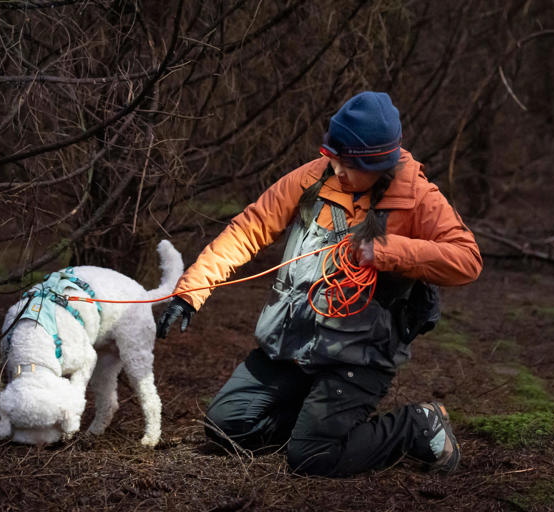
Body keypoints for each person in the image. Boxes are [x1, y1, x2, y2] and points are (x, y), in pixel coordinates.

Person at [157, 91, 482, 477]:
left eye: (346, 163)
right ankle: (315, 424)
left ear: (377, 163)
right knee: (226, 427)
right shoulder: (313, 176)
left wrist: (387, 250)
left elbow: (467, 259)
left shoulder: (418, 198)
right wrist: (191, 293)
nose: (336, 169)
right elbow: (249, 228)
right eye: (332, 157)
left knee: (313, 458)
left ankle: (415, 426)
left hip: (355, 359)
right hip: (292, 346)